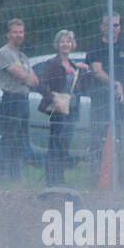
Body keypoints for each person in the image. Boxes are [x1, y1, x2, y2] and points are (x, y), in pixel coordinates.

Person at [85, 13, 124, 182]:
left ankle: (123, 178)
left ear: (119, 27)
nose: (113, 29)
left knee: (123, 138)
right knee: (99, 137)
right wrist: (115, 84)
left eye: (116, 25)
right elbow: (97, 70)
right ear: (102, 27)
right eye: (109, 25)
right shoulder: (95, 46)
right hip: (101, 100)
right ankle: (97, 176)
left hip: (121, 100)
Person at [38, 30, 90, 185]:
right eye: (62, 41)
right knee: (56, 143)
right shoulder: (52, 64)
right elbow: (42, 83)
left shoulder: (75, 66)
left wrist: (85, 72)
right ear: (57, 44)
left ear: (73, 44)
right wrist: (53, 98)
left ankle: (60, 178)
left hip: (72, 109)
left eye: (68, 41)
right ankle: (51, 179)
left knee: (65, 144)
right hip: (59, 109)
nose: (65, 44)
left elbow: (81, 87)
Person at [0, 18, 40, 180]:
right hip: (10, 100)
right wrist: (26, 77)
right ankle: (5, 174)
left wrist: (27, 78)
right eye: (15, 32)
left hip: (23, 101)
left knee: (21, 138)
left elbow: (34, 81)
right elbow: (21, 75)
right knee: (9, 138)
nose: (18, 35)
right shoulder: (3, 53)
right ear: (8, 34)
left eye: (21, 32)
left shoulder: (22, 56)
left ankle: (16, 175)